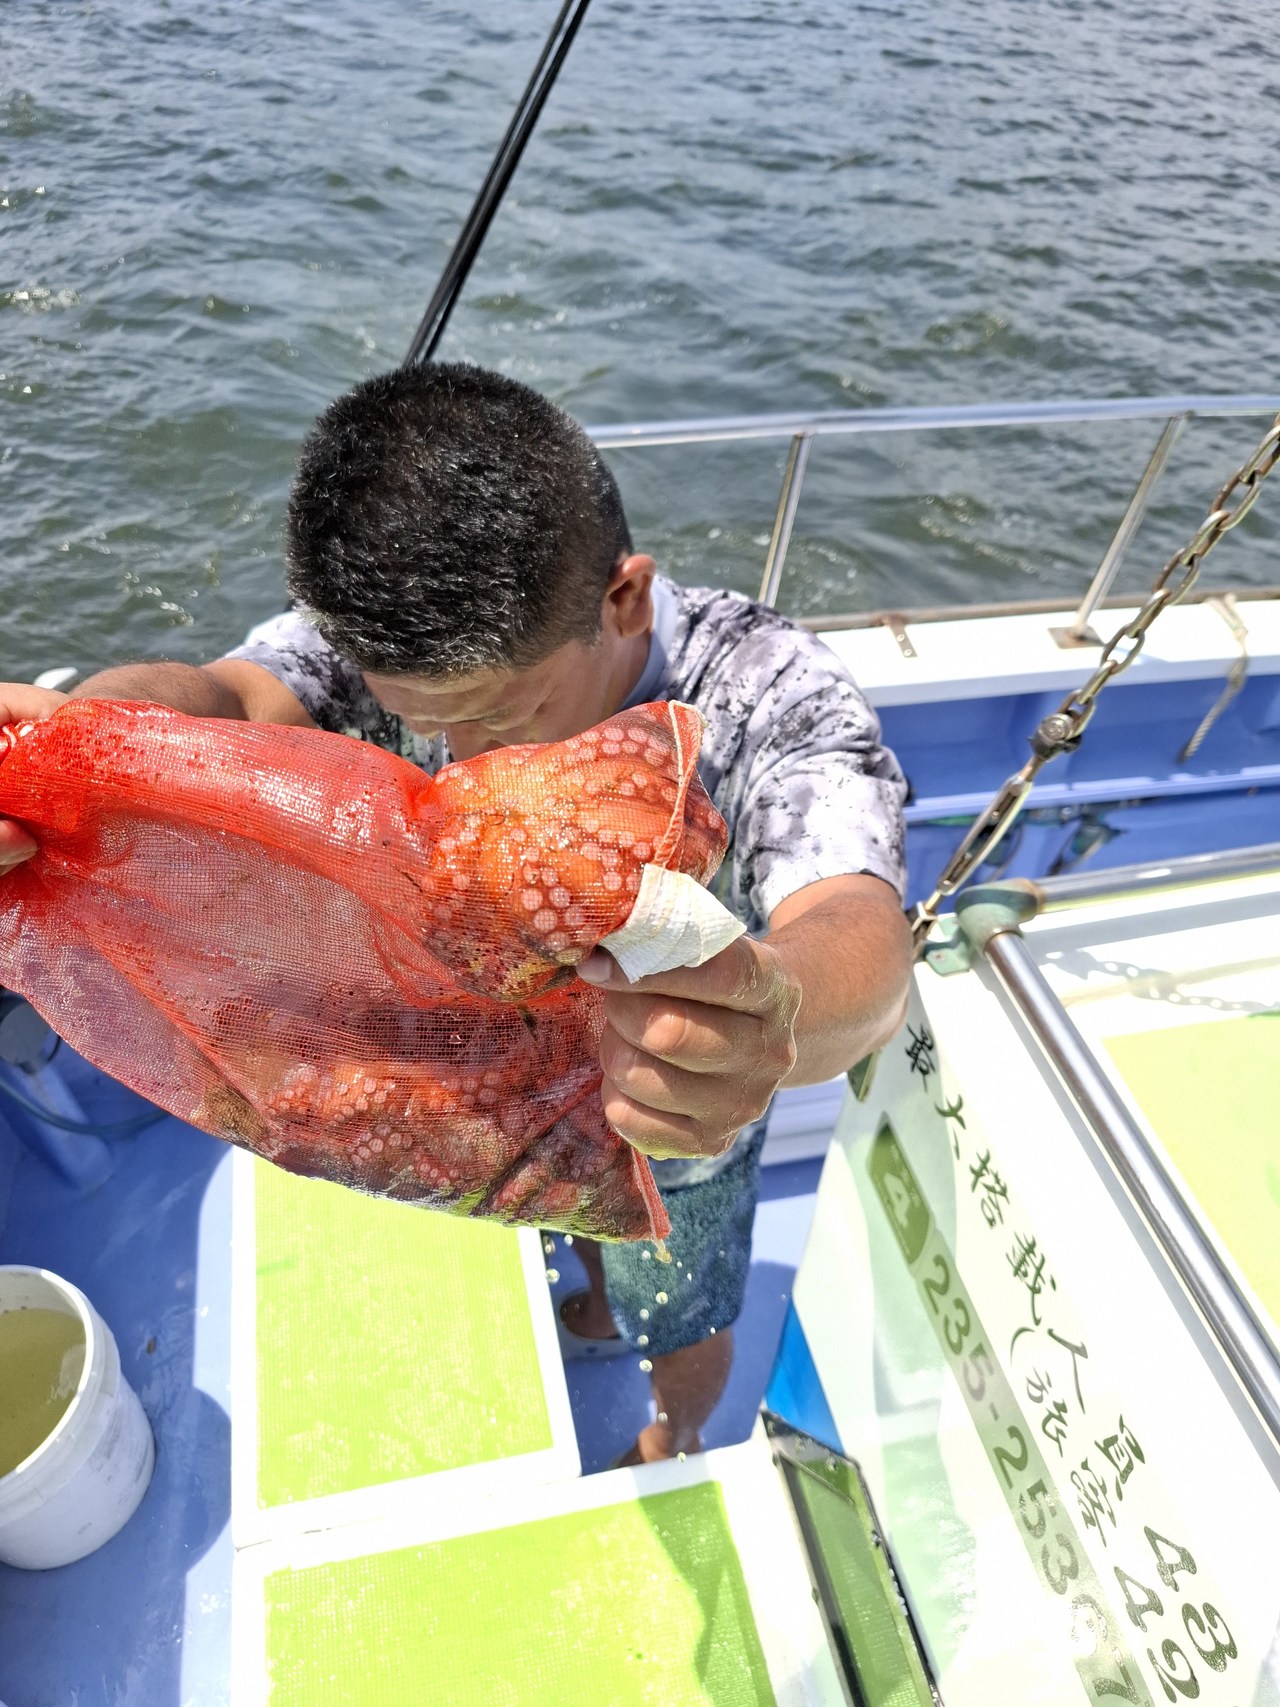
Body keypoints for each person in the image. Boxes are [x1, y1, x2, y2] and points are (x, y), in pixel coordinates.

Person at [0, 361, 911, 1463]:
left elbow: (857, 927)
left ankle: (675, 1421)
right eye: (419, 722)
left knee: (683, 1297)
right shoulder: (378, 635)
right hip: (498, 1085)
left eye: (500, 715)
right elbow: (232, 701)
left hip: (675, 1098)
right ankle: (591, 1281)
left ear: (622, 598)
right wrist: (76, 747)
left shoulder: (767, 688)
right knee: (578, 1213)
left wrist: (769, 1015)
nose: (468, 760)